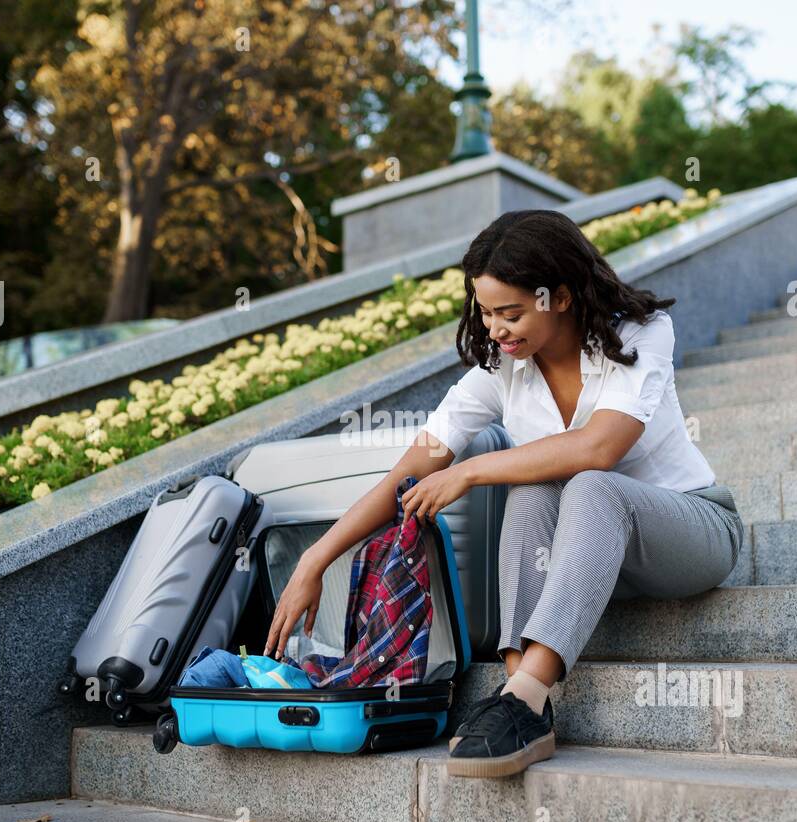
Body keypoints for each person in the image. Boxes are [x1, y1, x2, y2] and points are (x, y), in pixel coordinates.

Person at [263, 209, 743, 778]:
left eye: (510, 313)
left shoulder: (640, 333)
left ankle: (523, 694)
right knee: (537, 489)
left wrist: (472, 470)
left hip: (691, 533)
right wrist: (317, 558)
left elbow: (600, 449)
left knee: (587, 483)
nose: (494, 329)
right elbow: (405, 476)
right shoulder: (501, 371)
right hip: (588, 557)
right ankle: (525, 700)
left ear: (559, 296)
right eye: (486, 312)